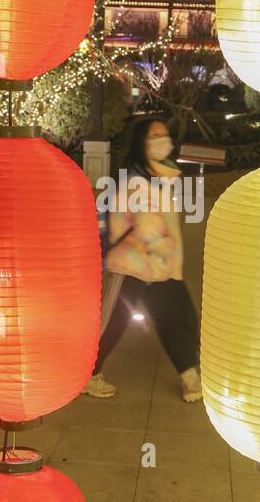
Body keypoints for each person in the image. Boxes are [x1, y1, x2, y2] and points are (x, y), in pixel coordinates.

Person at [85, 116, 202, 403]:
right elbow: (145, 224)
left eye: (165, 134)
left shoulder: (161, 175)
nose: (164, 140)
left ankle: (189, 375)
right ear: (142, 142)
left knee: (178, 316)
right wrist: (165, 246)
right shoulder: (137, 179)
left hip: (160, 267)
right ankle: (87, 373)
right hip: (131, 264)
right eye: (155, 135)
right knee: (114, 321)